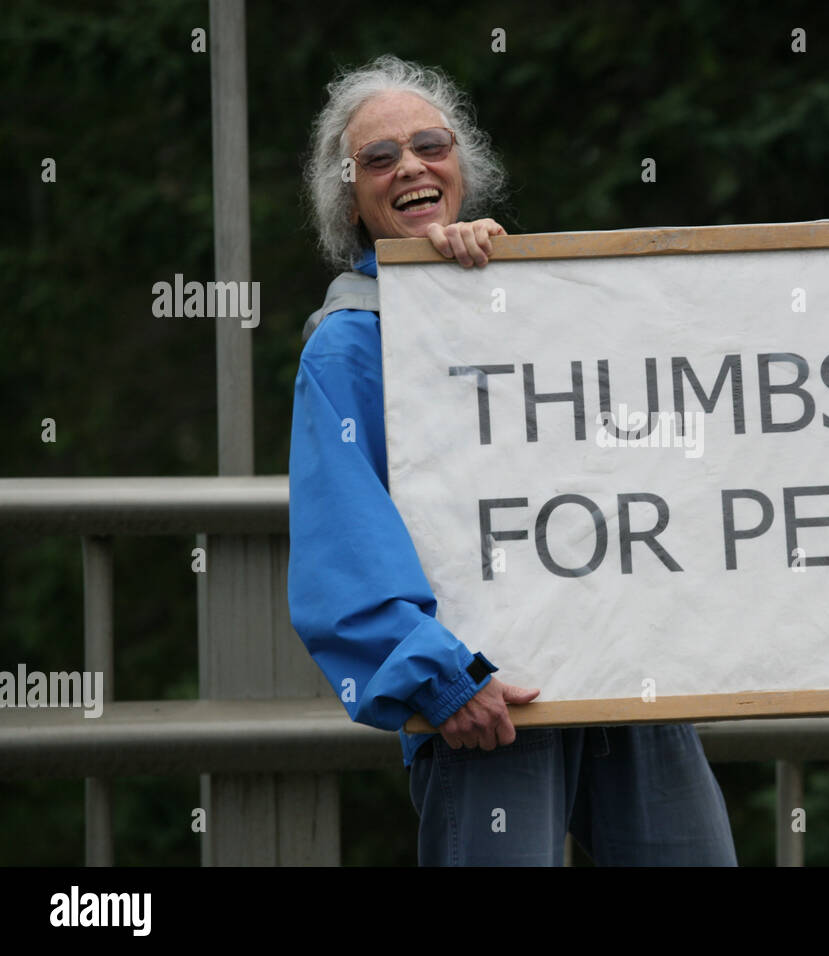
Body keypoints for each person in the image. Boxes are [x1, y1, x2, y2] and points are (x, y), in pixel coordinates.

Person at [288, 54, 737, 866]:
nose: (411, 166)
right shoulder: (346, 346)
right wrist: (440, 678)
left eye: (430, 144)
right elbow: (341, 541)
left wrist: (510, 295)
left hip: (626, 672)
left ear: (463, 165)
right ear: (348, 197)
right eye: (379, 159)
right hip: (486, 698)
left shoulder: (541, 302)